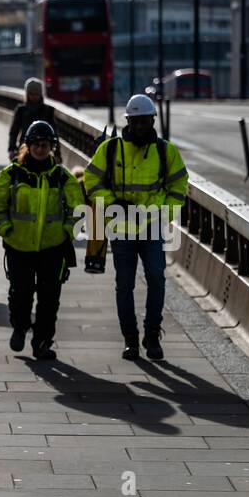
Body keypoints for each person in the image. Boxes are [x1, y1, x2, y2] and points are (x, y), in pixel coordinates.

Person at [84, 93, 189, 361]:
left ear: (153, 120)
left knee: (157, 281)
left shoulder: (166, 151)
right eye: (136, 122)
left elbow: (178, 188)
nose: (141, 126)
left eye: (146, 121)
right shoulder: (110, 149)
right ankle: (131, 340)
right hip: (122, 229)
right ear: (128, 121)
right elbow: (92, 181)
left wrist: (162, 213)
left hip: (152, 229)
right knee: (124, 286)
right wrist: (113, 203)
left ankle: (152, 336)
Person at [0, 120, 84, 361]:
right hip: (19, 247)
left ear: (52, 147)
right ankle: (20, 327)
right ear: (27, 146)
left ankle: (42, 343)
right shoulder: (12, 174)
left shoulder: (62, 177)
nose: (41, 149)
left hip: (53, 248)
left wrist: (67, 232)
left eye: (46, 145)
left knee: (49, 300)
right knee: (20, 294)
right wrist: (5, 229)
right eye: (37, 144)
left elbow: (79, 209)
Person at [8, 77, 58, 160]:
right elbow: (14, 131)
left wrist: (57, 152)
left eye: (37, 94)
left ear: (40, 94)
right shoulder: (21, 110)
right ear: (27, 94)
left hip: (44, 149)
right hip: (25, 148)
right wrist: (12, 148)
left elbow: (55, 133)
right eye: (31, 93)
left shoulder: (48, 110)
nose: (34, 96)